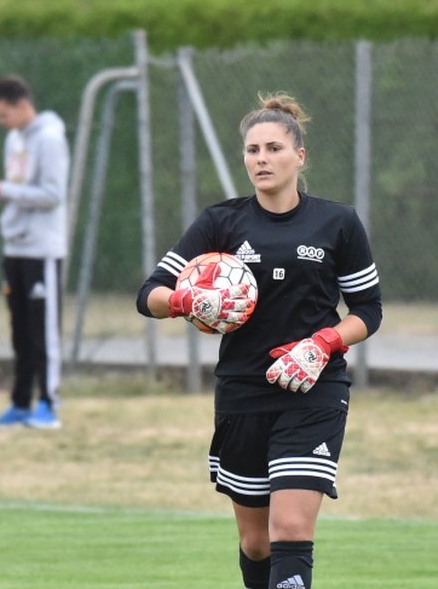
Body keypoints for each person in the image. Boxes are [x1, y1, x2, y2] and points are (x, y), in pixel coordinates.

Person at [136, 95, 382, 589]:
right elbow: (149, 295)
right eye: (252, 150)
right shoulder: (221, 223)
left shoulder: (337, 222)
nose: (261, 159)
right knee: (256, 543)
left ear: (299, 156)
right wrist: (186, 300)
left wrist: (323, 343)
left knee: (289, 528)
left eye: (273, 148)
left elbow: (368, 310)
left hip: (313, 391)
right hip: (243, 391)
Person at [0, 75, 69, 430]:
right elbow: (19, 188)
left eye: (4, 114)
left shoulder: (50, 139)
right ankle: (20, 403)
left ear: (23, 105)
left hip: (42, 249)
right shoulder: (14, 139)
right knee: (21, 331)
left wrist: (6, 190)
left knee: (43, 332)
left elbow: (53, 195)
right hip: (16, 246)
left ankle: (48, 404)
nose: (1, 122)